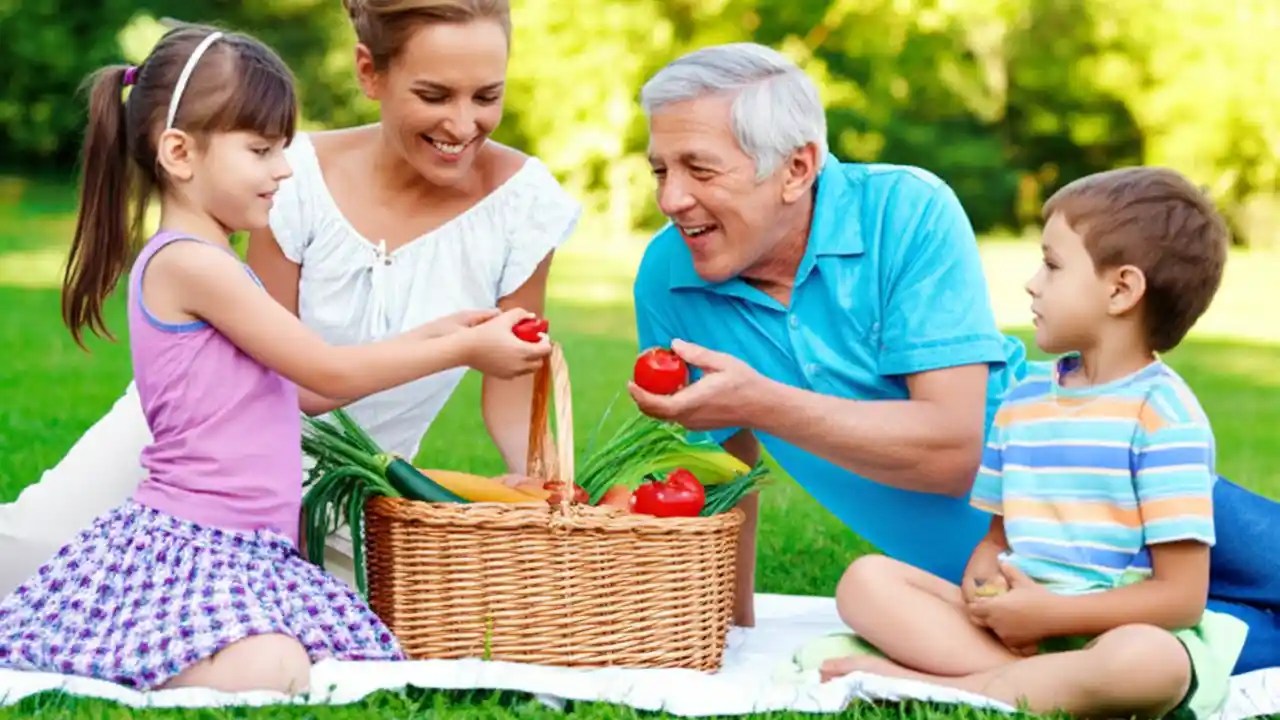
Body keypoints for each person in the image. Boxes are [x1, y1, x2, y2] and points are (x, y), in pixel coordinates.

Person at [627, 41, 1280, 673]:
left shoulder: (903, 211)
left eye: (699, 169)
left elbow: (952, 452)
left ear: (796, 169)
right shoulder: (669, 278)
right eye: (661, 169)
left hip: (1108, 469)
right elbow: (715, 472)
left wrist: (762, 403)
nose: (671, 199)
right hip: (1003, 585)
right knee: (1195, 654)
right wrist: (729, 631)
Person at [0, 24, 550, 693]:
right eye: (261, 150)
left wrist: (437, 333)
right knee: (275, 669)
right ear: (180, 153)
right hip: (194, 545)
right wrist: (463, 348)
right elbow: (326, 370)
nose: (284, 169)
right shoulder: (193, 267)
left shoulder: (221, 267)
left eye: (282, 149)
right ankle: (130, 648)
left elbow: (309, 395)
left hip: (250, 548)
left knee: (330, 655)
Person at [816, 167, 1247, 720]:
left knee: (1149, 664)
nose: (1032, 283)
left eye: (1052, 264)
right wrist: (984, 589)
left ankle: (936, 684)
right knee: (866, 582)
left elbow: (1181, 597)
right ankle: (1010, 683)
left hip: (1111, 634)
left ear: (1121, 290)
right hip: (1014, 629)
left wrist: (1052, 615)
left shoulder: (1165, 416)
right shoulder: (1025, 399)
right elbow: (998, 537)